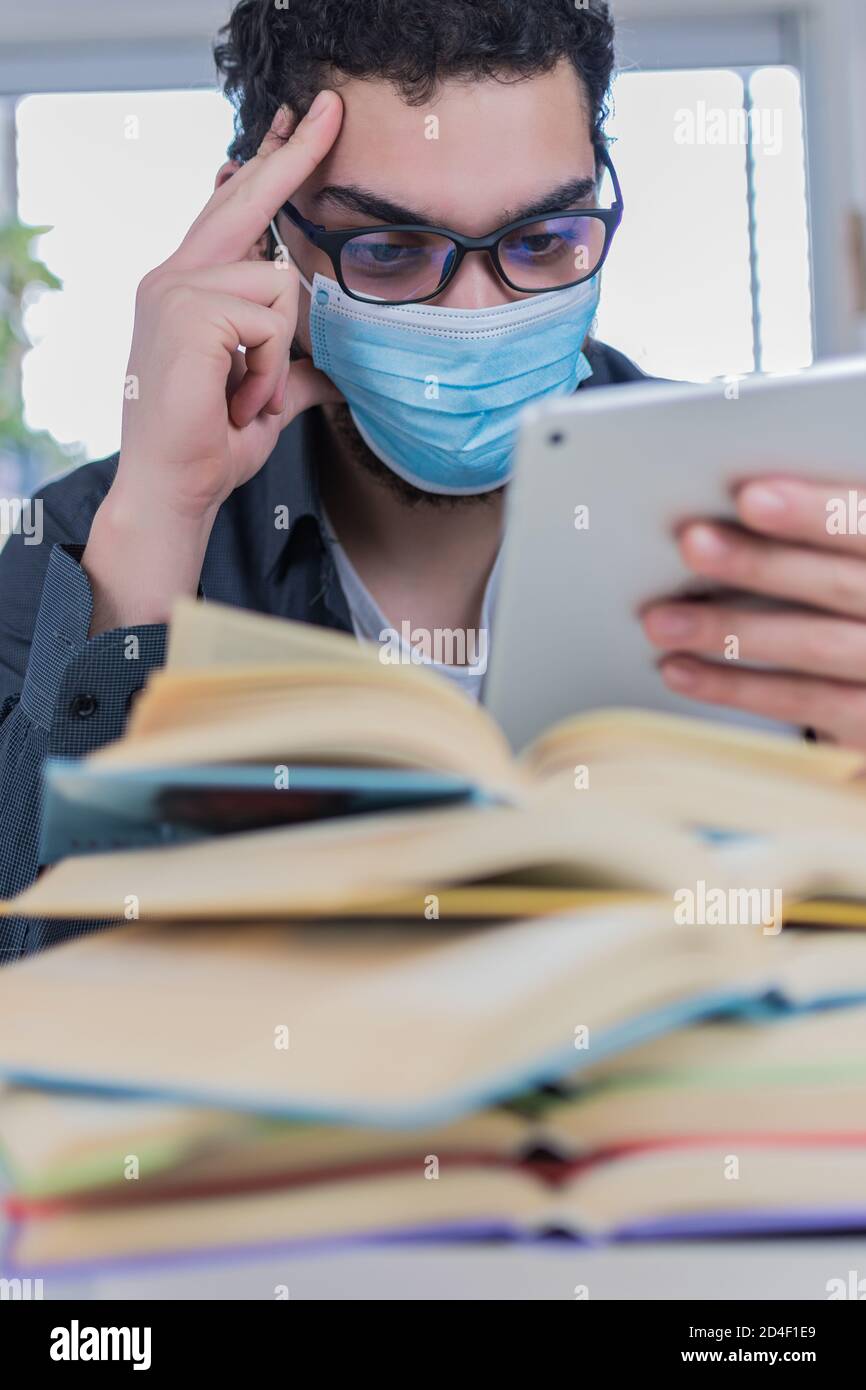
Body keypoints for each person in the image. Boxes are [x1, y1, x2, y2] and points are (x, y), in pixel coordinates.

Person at [1, 0, 863, 960]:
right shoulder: (83, 545)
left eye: (542, 241)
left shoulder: (774, 508)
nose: (477, 312)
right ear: (260, 235)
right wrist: (159, 524)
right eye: (391, 251)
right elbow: (27, 985)